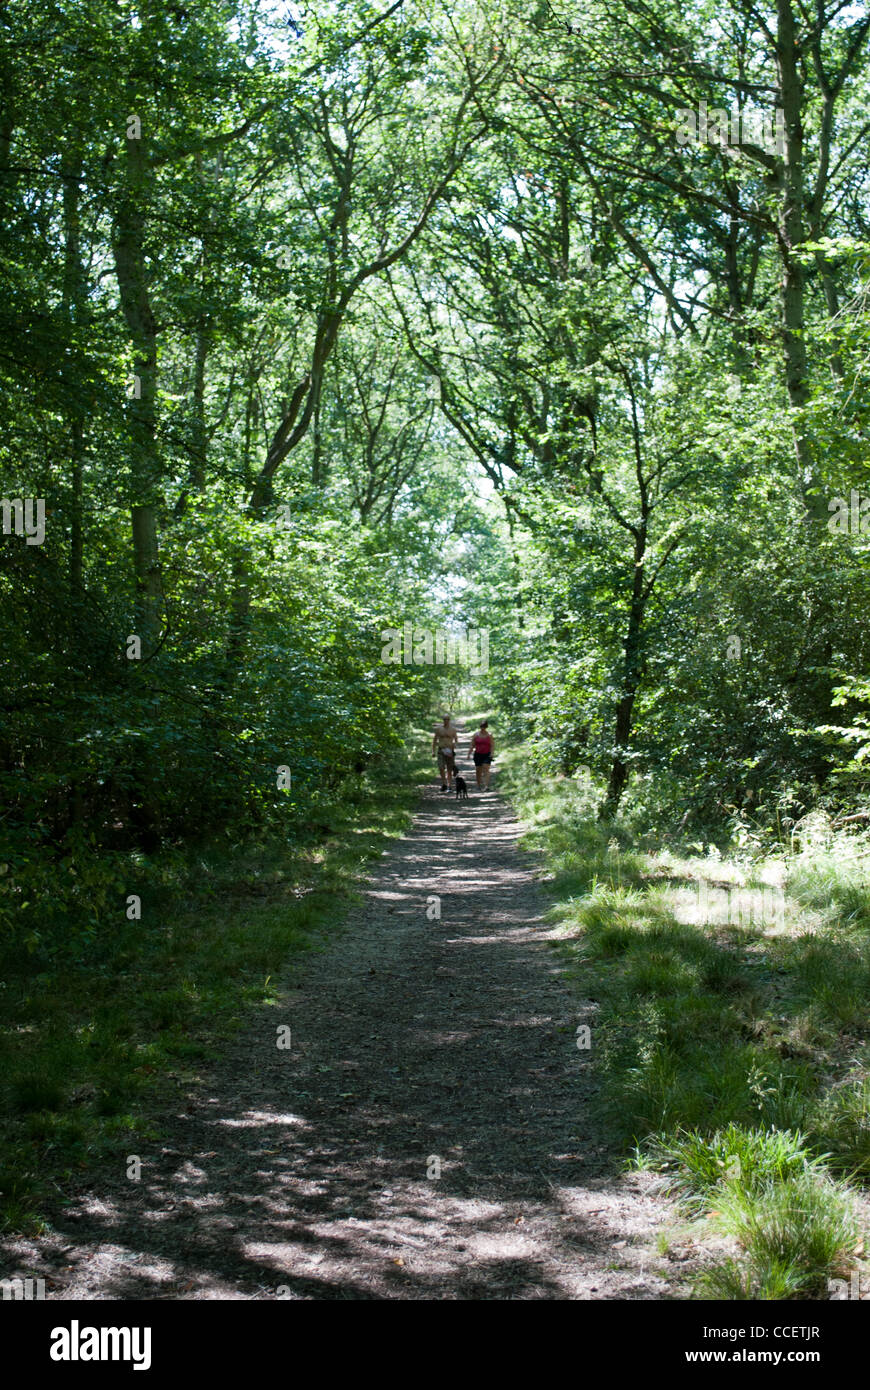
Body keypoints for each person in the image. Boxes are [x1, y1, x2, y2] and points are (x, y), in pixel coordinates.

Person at [432, 714, 458, 792]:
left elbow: (456, 739)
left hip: (449, 751)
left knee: (449, 769)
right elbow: (434, 740)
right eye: (444, 719)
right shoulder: (439, 729)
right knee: (441, 767)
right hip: (441, 750)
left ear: (449, 720)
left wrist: (455, 745)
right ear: (443, 720)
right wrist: (433, 751)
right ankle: (444, 783)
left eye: (447, 719)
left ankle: (449, 785)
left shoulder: (453, 729)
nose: (445, 721)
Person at [468, 719, 494, 789]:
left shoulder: (489, 735)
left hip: (487, 754)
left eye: (484, 727)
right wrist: (469, 754)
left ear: (486, 727)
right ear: (480, 727)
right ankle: (478, 785)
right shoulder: (476, 735)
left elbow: (492, 745)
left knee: (486, 768)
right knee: (478, 770)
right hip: (478, 754)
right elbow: (472, 745)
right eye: (482, 727)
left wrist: (492, 753)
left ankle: (486, 786)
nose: (483, 728)